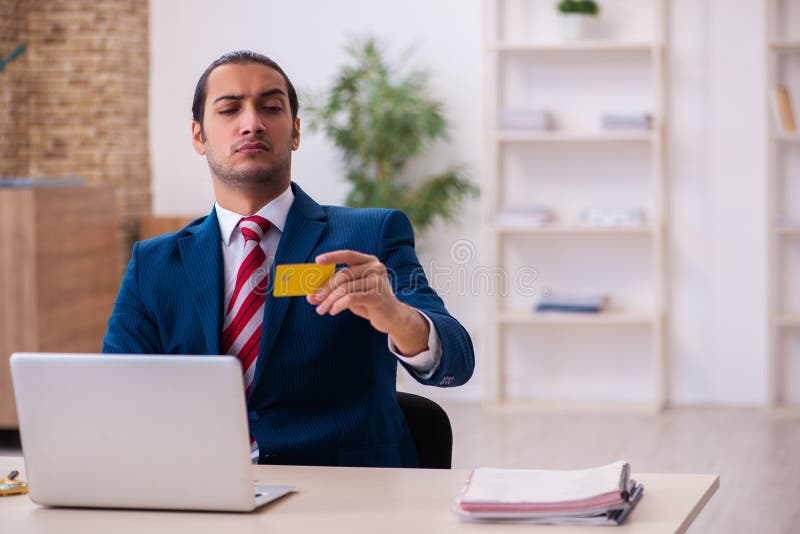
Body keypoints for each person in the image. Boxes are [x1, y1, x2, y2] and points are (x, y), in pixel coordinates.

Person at [103, 50, 474, 468]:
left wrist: (398, 317)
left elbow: (457, 361)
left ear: (295, 131)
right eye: (229, 109)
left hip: (345, 488)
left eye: (271, 107)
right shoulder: (153, 263)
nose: (252, 123)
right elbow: (116, 393)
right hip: (203, 483)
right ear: (198, 137)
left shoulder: (371, 235)